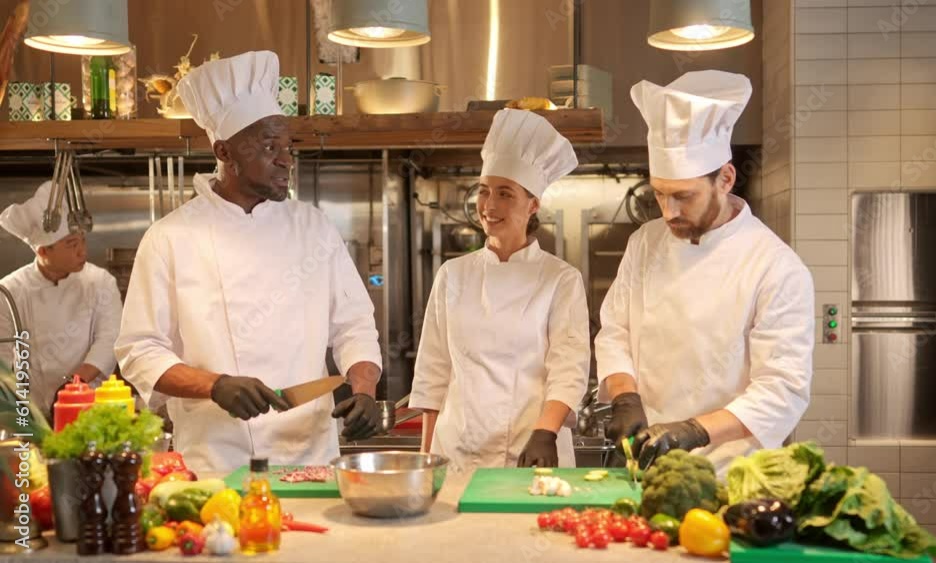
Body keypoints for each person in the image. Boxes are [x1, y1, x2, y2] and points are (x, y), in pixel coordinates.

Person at [115, 51, 383, 473]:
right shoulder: (169, 237)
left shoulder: (314, 229)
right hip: (215, 463)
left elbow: (353, 325)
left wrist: (364, 388)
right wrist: (214, 385)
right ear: (224, 151)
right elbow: (139, 350)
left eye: (288, 146)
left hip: (310, 458)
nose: (285, 159)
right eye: (268, 145)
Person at [596, 70, 815, 473]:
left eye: (683, 197)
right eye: (658, 194)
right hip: (647, 465)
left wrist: (694, 430)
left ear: (725, 179)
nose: (668, 212)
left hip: (731, 472)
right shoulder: (646, 242)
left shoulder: (775, 267)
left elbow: (782, 390)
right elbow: (615, 329)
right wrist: (626, 396)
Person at [410, 109, 590, 469]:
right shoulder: (453, 274)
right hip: (456, 455)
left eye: (506, 194)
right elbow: (433, 372)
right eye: (484, 191)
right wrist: (424, 461)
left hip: (531, 454)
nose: (490, 206)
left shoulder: (560, 279)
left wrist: (546, 433)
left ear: (533, 204)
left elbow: (568, 371)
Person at [0, 180, 121, 415]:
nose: (82, 251)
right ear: (43, 251)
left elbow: (109, 340)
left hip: (87, 406)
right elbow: (3, 358)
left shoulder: (100, 282)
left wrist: (73, 385)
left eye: (83, 241)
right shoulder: (9, 289)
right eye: (72, 244)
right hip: (29, 410)